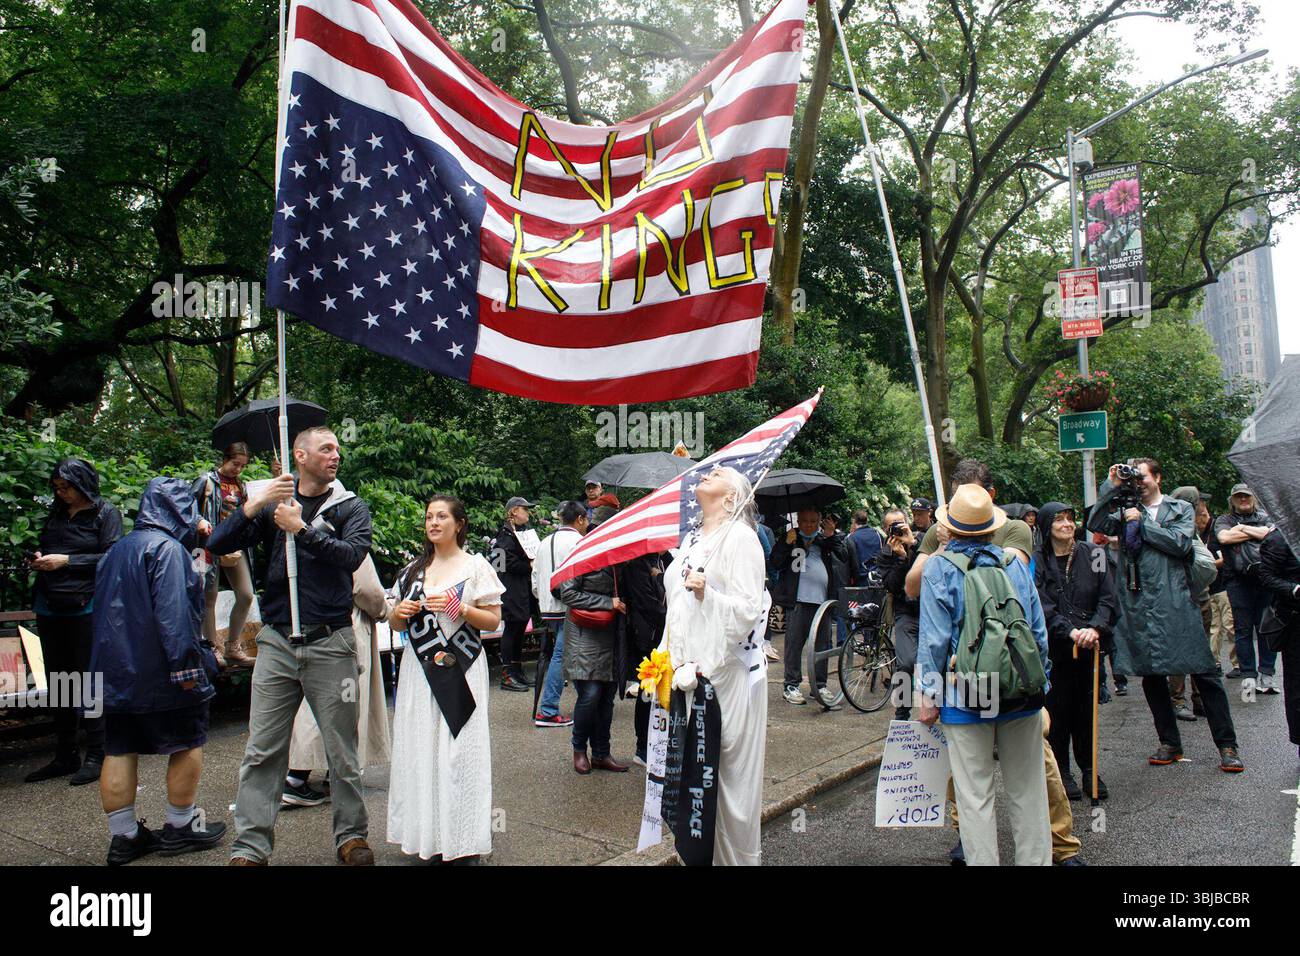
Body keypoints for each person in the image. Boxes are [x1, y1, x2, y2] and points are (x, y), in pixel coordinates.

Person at [206, 425, 377, 865]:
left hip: (330, 641)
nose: (336, 455)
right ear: (300, 456)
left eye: (337, 448)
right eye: (326, 449)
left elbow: (352, 557)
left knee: (342, 748)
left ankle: (351, 836)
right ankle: (250, 847)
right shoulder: (273, 507)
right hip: (278, 641)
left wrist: (301, 530)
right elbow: (217, 544)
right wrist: (256, 503)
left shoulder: (350, 506)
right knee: (263, 749)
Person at [907, 459, 1082, 866]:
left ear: (949, 527)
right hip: (1020, 690)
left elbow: (934, 641)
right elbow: (1035, 629)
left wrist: (928, 696)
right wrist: (1042, 683)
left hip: (965, 693)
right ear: (992, 525)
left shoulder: (938, 568)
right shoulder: (1014, 563)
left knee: (974, 796)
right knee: (1028, 791)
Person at [91, 477, 227, 865]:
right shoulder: (168, 551)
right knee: (187, 741)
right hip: (164, 673)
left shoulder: (116, 551)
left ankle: (125, 837)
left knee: (118, 749)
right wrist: (193, 669)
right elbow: (174, 619)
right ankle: (180, 826)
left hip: (116, 676)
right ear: (179, 509)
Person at [1087, 459, 1243, 772]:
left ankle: (1227, 745)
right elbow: (1094, 523)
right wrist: (1111, 486)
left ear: (1158, 477)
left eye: (1143, 476)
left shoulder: (1180, 508)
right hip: (1139, 603)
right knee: (1152, 673)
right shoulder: (1122, 507)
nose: (1139, 482)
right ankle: (1170, 742)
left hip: (1178, 599)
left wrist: (1140, 522)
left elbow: (1180, 543)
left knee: (1204, 671)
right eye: (1134, 477)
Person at [387, 495, 504, 863]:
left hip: (463, 671)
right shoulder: (411, 571)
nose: (433, 523)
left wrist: (463, 609)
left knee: (460, 751)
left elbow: (494, 619)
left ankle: (463, 839)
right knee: (422, 747)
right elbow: (393, 621)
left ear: (459, 524)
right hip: (419, 673)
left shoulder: (476, 567)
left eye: (441, 516)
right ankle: (429, 835)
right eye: (429, 517)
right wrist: (400, 612)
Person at [661, 465, 768, 865]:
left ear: (731, 498)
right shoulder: (692, 540)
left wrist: (710, 595)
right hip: (690, 675)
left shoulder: (741, 539)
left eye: (720, 473)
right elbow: (676, 610)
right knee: (693, 778)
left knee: (726, 782)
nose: (709, 472)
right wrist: (664, 657)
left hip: (726, 679)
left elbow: (748, 610)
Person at [24, 458, 122, 786]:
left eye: (66, 487)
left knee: (88, 680)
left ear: (82, 484)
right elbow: (46, 546)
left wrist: (68, 561)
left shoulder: (106, 513)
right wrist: (37, 557)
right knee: (60, 680)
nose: (61, 492)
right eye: (57, 487)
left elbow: (113, 557)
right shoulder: (55, 514)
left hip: (86, 605)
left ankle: (97, 752)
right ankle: (65, 753)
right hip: (51, 605)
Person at [283, 554, 393, 807]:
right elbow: (367, 591)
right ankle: (303, 776)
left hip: (307, 625)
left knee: (315, 701)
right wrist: (385, 610)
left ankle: (312, 774)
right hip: (345, 627)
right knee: (342, 703)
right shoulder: (348, 539)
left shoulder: (296, 540)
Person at [1034, 502, 1117, 800]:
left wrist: (1095, 628)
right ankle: (1063, 772)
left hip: (1090, 646)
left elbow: (1108, 599)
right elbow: (1040, 604)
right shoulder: (1038, 560)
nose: (1067, 524)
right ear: (1047, 527)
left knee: (1086, 711)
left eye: (1070, 519)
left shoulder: (1094, 554)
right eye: (1059, 520)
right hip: (1055, 648)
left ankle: (1089, 770)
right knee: (1058, 710)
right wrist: (1068, 631)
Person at [556, 507, 629, 774]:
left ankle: (601, 752)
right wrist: (606, 602)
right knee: (590, 693)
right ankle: (579, 749)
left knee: (607, 697)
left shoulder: (618, 555)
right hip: (584, 635)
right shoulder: (581, 552)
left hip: (610, 635)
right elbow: (568, 593)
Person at [769, 506, 849, 706]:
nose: (809, 525)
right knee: (794, 645)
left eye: (814, 521)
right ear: (798, 521)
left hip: (823, 602)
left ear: (819, 521)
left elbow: (844, 556)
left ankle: (820, 685)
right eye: (805, 521)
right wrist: (787, 544)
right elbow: (775, 562)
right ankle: (791, 685)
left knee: (822, 645)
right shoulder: (790, 538)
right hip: (797, 601)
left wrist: (831, 535)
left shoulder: (825, 541)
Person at [192, 442, 256, 668]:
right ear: (224, 459)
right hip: (205, 547)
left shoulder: (243, 486)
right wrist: (198, 522)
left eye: (242, 466)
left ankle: (232, 646)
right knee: (207, 598)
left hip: (233, 545)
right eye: (234, 464)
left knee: (247, 594)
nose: (237, 469)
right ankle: (212, 649)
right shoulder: (205, 481)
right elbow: (186, 509)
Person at [1214, 483, 1279, 694]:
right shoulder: (1224, 520)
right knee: (1242, 630)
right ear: (1232, 500)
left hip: (1266, 579)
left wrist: (1241, 529)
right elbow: (1223, 537)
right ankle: (1249, 676)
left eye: (1246, 496)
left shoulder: (1264, 516)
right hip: (1237, 580)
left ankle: (1267, 675)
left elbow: (1270, 534)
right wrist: (1255, 532)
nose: (1243, 500)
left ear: (1254, 498)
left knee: (1267, 627)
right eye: (1239, 497)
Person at [530, 501, 585, 728]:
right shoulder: (579, 542)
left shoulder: (544, 542)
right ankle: (548, 710)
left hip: (548, 607)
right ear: (580, 518)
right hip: (570, 606)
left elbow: (534, 579)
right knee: (561, 656)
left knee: (563, 653)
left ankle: (576, 701)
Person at [621, 549, 667, 766]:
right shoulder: (637, 564)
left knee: (663, 690)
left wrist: (660, 576)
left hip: (663, 635)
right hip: (646, 637)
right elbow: (649, 604)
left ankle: (659, 742)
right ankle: (643, 746)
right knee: (647, 690)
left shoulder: (665, 559)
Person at [1258, 527, 1300, 761]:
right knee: (1297, 684)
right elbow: (1266, 576)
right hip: (1294, 620)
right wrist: (1294, 589)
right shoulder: (1278, 537)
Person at [875, 507, 919, 720]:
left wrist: (911, 546)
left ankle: (940, 708)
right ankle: (902, 713)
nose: (898, 528)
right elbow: (891, 585)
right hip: (906, 611)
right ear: (886, 529)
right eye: (893, 525)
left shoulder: (919, 543)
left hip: (930, 609)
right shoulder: (885, 554)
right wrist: (900, 559)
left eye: (901, 523)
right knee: (905, 662)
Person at [491, 496, 537, 692]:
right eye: (525, 509)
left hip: (522, 589)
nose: (528, 512)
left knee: (520, 628)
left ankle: (517, 670)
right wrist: (529, 566)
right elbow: (499, 564)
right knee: (512, 628)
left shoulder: (522, 534)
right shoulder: (504, 536)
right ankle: (507, 674)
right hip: (510, 590)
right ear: (514, 511)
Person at [1196, 498, 1237, 677]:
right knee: (1214, 627)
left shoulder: (1215, 531)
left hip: (1223, 586)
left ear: (1203, 515)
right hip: (1209, 588)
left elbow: (1225, 559)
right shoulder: (1200, 534)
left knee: (1230, 626)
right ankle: (1214, 662)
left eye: (1200, 517)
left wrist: (1207, 564)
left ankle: (1238, 664)